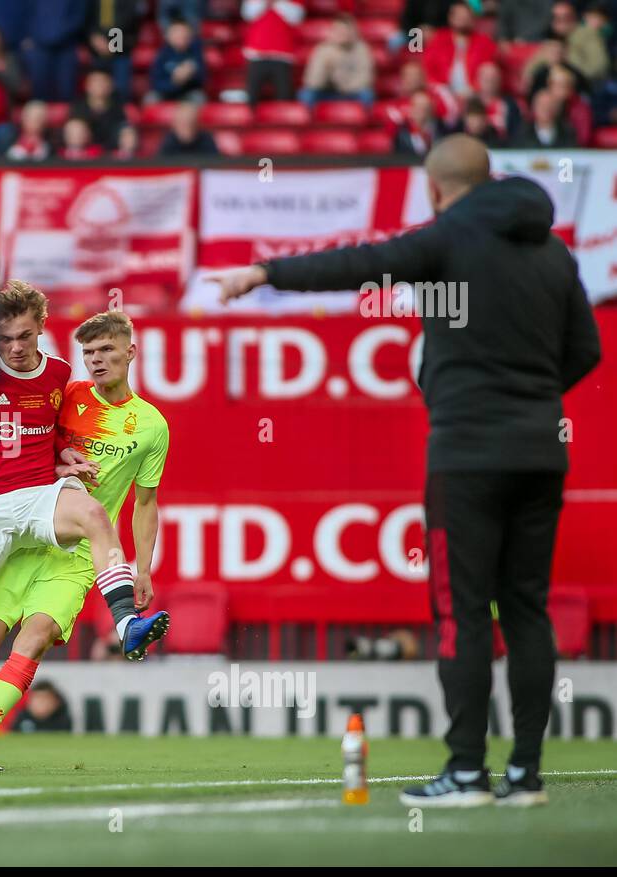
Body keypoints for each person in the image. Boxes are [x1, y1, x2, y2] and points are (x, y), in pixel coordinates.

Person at [208, 134, 601, 808]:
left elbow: (360, 264)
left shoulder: (446, 239)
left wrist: (265, 274)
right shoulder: (555, 252)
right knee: (528, 610)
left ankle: (467, 774)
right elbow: (586, 352)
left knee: (463, 614)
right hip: (540, 452)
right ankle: (526, 776)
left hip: (466, 456)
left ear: (436, 186)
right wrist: (531, 399)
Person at [0, 283, 170, 772]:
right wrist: (60, 456)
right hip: (3, 523)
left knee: (34, 634)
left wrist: (145, 568)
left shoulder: (149, 424)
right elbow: (32, 429)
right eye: (90, 351)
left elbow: (146, 501)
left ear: (130, 352)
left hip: (64, 539)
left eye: (107, 351)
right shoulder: (67, 390)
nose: (15, 346)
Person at [423, 1, 497, 99]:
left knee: (490, 71)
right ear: (450, 18)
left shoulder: (484, 42)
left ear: (472, 19)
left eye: (465, 16)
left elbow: (488, 69)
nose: (462, 19)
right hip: (444, 93)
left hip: (474, 93)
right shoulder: (438, 40)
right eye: (458, 15)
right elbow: (428, 69)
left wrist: (474, 88)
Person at [299, 13, 374, 108]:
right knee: (306, 94)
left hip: (351, 92)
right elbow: (311, 82)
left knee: (366, 94)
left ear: (353, 32)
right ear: (332, 32)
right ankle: (310, 122)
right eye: (339, 30)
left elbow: (365, 79)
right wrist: (325, 68)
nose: (343, 34)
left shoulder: (362, 49)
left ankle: (365, 122)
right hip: (327, 92)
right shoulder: (322, 49)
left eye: (346, 31)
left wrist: (343, 85)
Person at [242, 0, 304, 104]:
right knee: (251, 99)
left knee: (284, 97)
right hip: (257, 54)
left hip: (283, 55)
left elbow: (296, 17)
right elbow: (248, 14)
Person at [149, 18, 205, 103]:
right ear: (167, 36)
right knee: (151, 98)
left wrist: (190, 74)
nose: (180, 36)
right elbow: (155, 82)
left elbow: (203, 78)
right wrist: (175, 81)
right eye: (176, 33)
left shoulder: (195, 52)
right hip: (166, 92)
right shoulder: (162, 54)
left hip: (188, 93)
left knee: (198, 97)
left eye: (183, 33)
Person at [512, 87, 578, 146]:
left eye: (550, 105)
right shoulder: (522, 133)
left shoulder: (567, 132)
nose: (546, 109)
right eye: (542, 105)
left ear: (558, 109)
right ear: (534, 107)